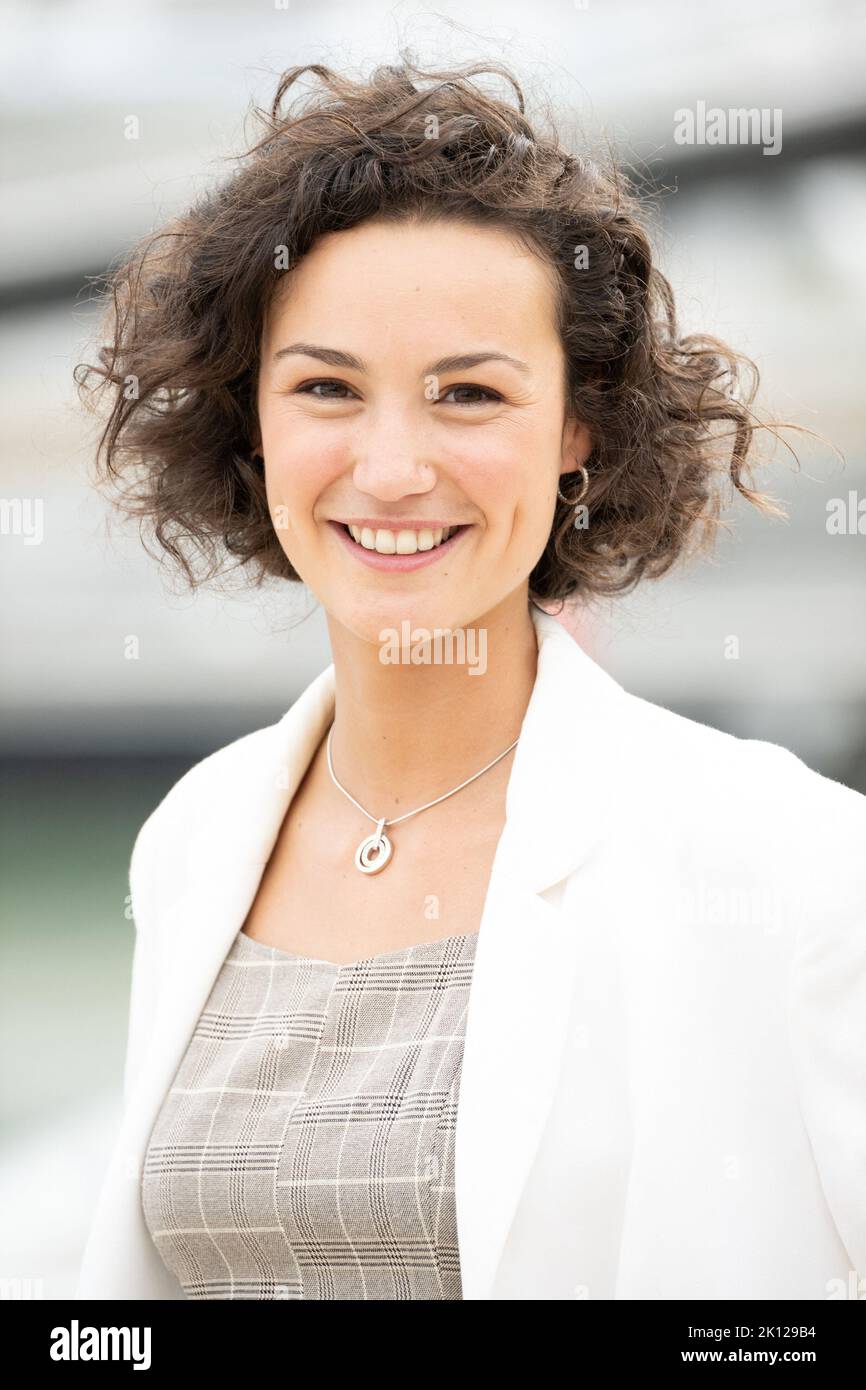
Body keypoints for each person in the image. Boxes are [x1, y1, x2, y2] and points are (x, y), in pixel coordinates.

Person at [74, 58, 866, 1301]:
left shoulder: (793, 864)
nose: (390, 469)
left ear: (576, 432)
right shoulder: (194, 838)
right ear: (253, 419)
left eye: (469, 394)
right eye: (327, 387)